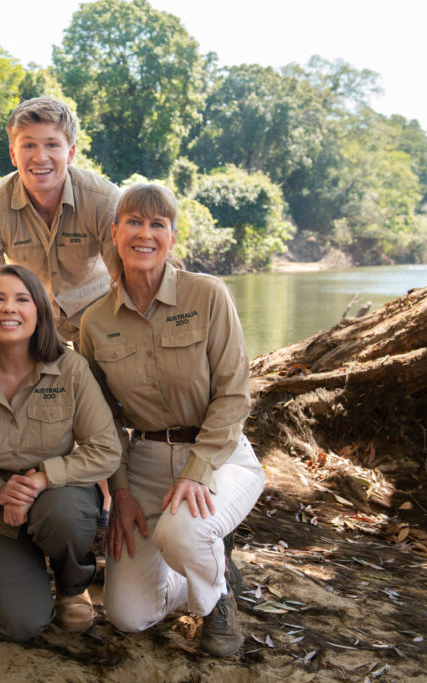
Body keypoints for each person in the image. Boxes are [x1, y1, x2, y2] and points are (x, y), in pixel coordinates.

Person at [78, 183, 265, 657]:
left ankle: (216, 602)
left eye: (157, 224)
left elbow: (234, 395)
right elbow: (103, 422)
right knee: (128, 616)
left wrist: (197, 472)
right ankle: (210, 571)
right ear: (115, 233)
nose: (145, 234)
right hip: (144, 461)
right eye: (134, 223)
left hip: (219, 456)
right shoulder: (95, 322)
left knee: (181, 532)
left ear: (172, 237)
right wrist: (120, 491)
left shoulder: (207, 294)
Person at [0, 264, 121, 641]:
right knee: (18, 624)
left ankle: (72, 585)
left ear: (39, 312)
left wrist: (42, 479)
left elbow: (105, 450)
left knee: (62, 515)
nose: (9, 308)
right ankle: (26, 572)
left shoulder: (71, 369)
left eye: (22, 299)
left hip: (58, 495)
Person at [0, 96, 121, 344]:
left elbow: (129, 282)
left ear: (70, 153)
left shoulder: (105, 200)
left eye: (52, 145)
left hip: (99, 314)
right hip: (34, 319)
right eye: (28, 145)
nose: (40, 157)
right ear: (13, 154)